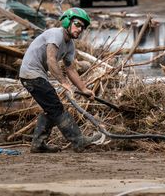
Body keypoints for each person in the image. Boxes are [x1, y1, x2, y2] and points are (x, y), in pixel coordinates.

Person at [19, 8, 106, 153]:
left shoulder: (70, 45)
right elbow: (51, 60)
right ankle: (78, 141)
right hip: (31, 74)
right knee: (56, 108)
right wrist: (63, 82)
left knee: (51, 109)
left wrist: (84, 89)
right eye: (77, 24)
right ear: (67, 21)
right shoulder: (55, 35)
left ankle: (38, 144)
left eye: (82, 27)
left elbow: (71, 69)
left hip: (36, 76)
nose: (80, 29)